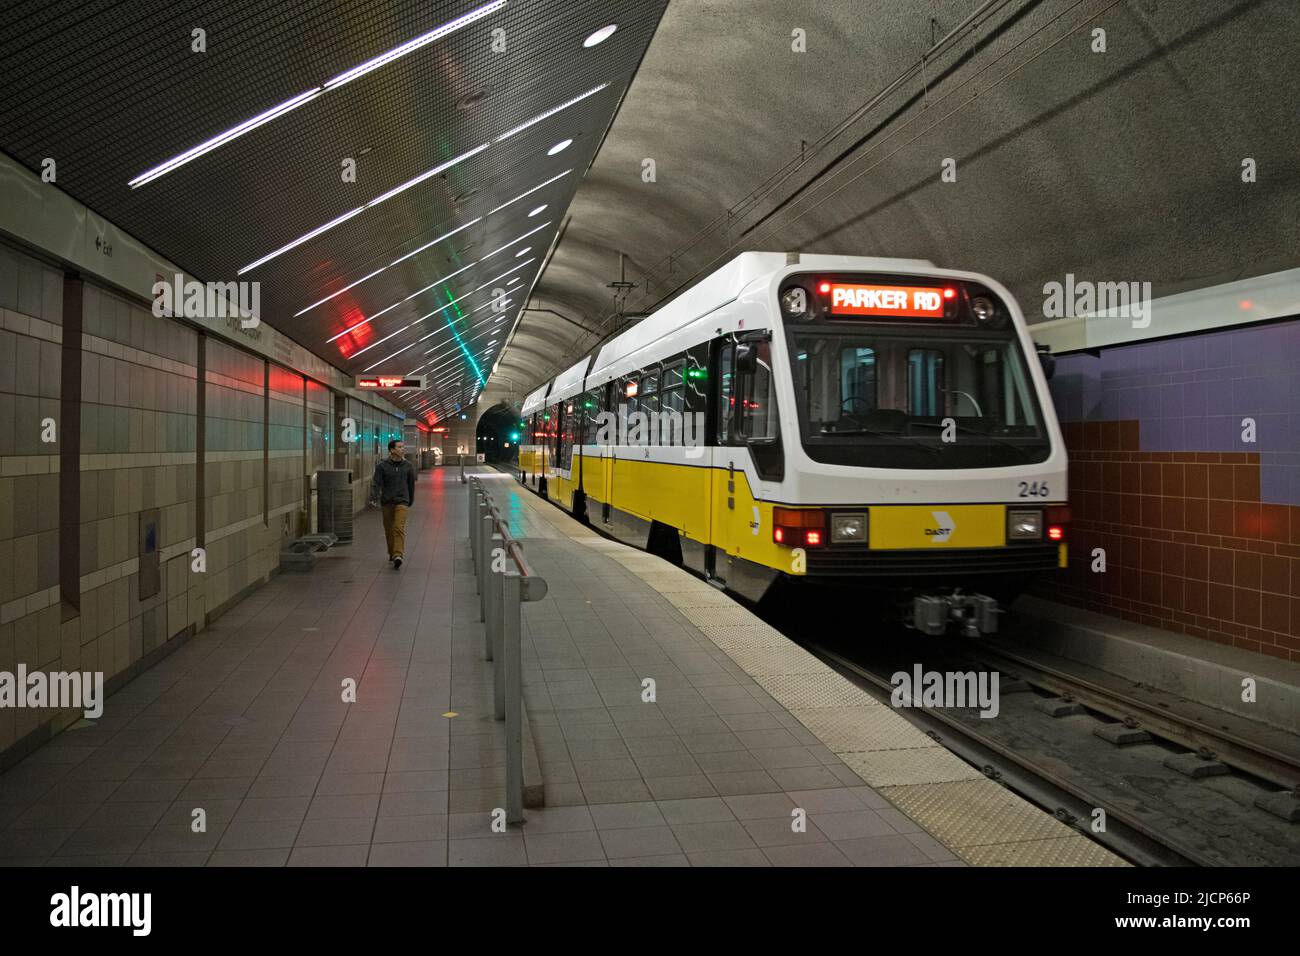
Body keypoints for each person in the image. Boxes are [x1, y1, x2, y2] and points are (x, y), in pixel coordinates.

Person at [370, 439, 416, 568]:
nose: (402, 449)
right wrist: (374, 497)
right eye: (400, 447)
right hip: (387, 501)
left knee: (398, 528)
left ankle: (398, 554)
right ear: (392, 450)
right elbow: (376, 483)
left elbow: (411, 484)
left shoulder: (408, 466)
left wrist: (410, 499)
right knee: (389, 529)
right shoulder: (382, 466)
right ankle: (392, 552)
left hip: (402, 501)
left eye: (403, 447)